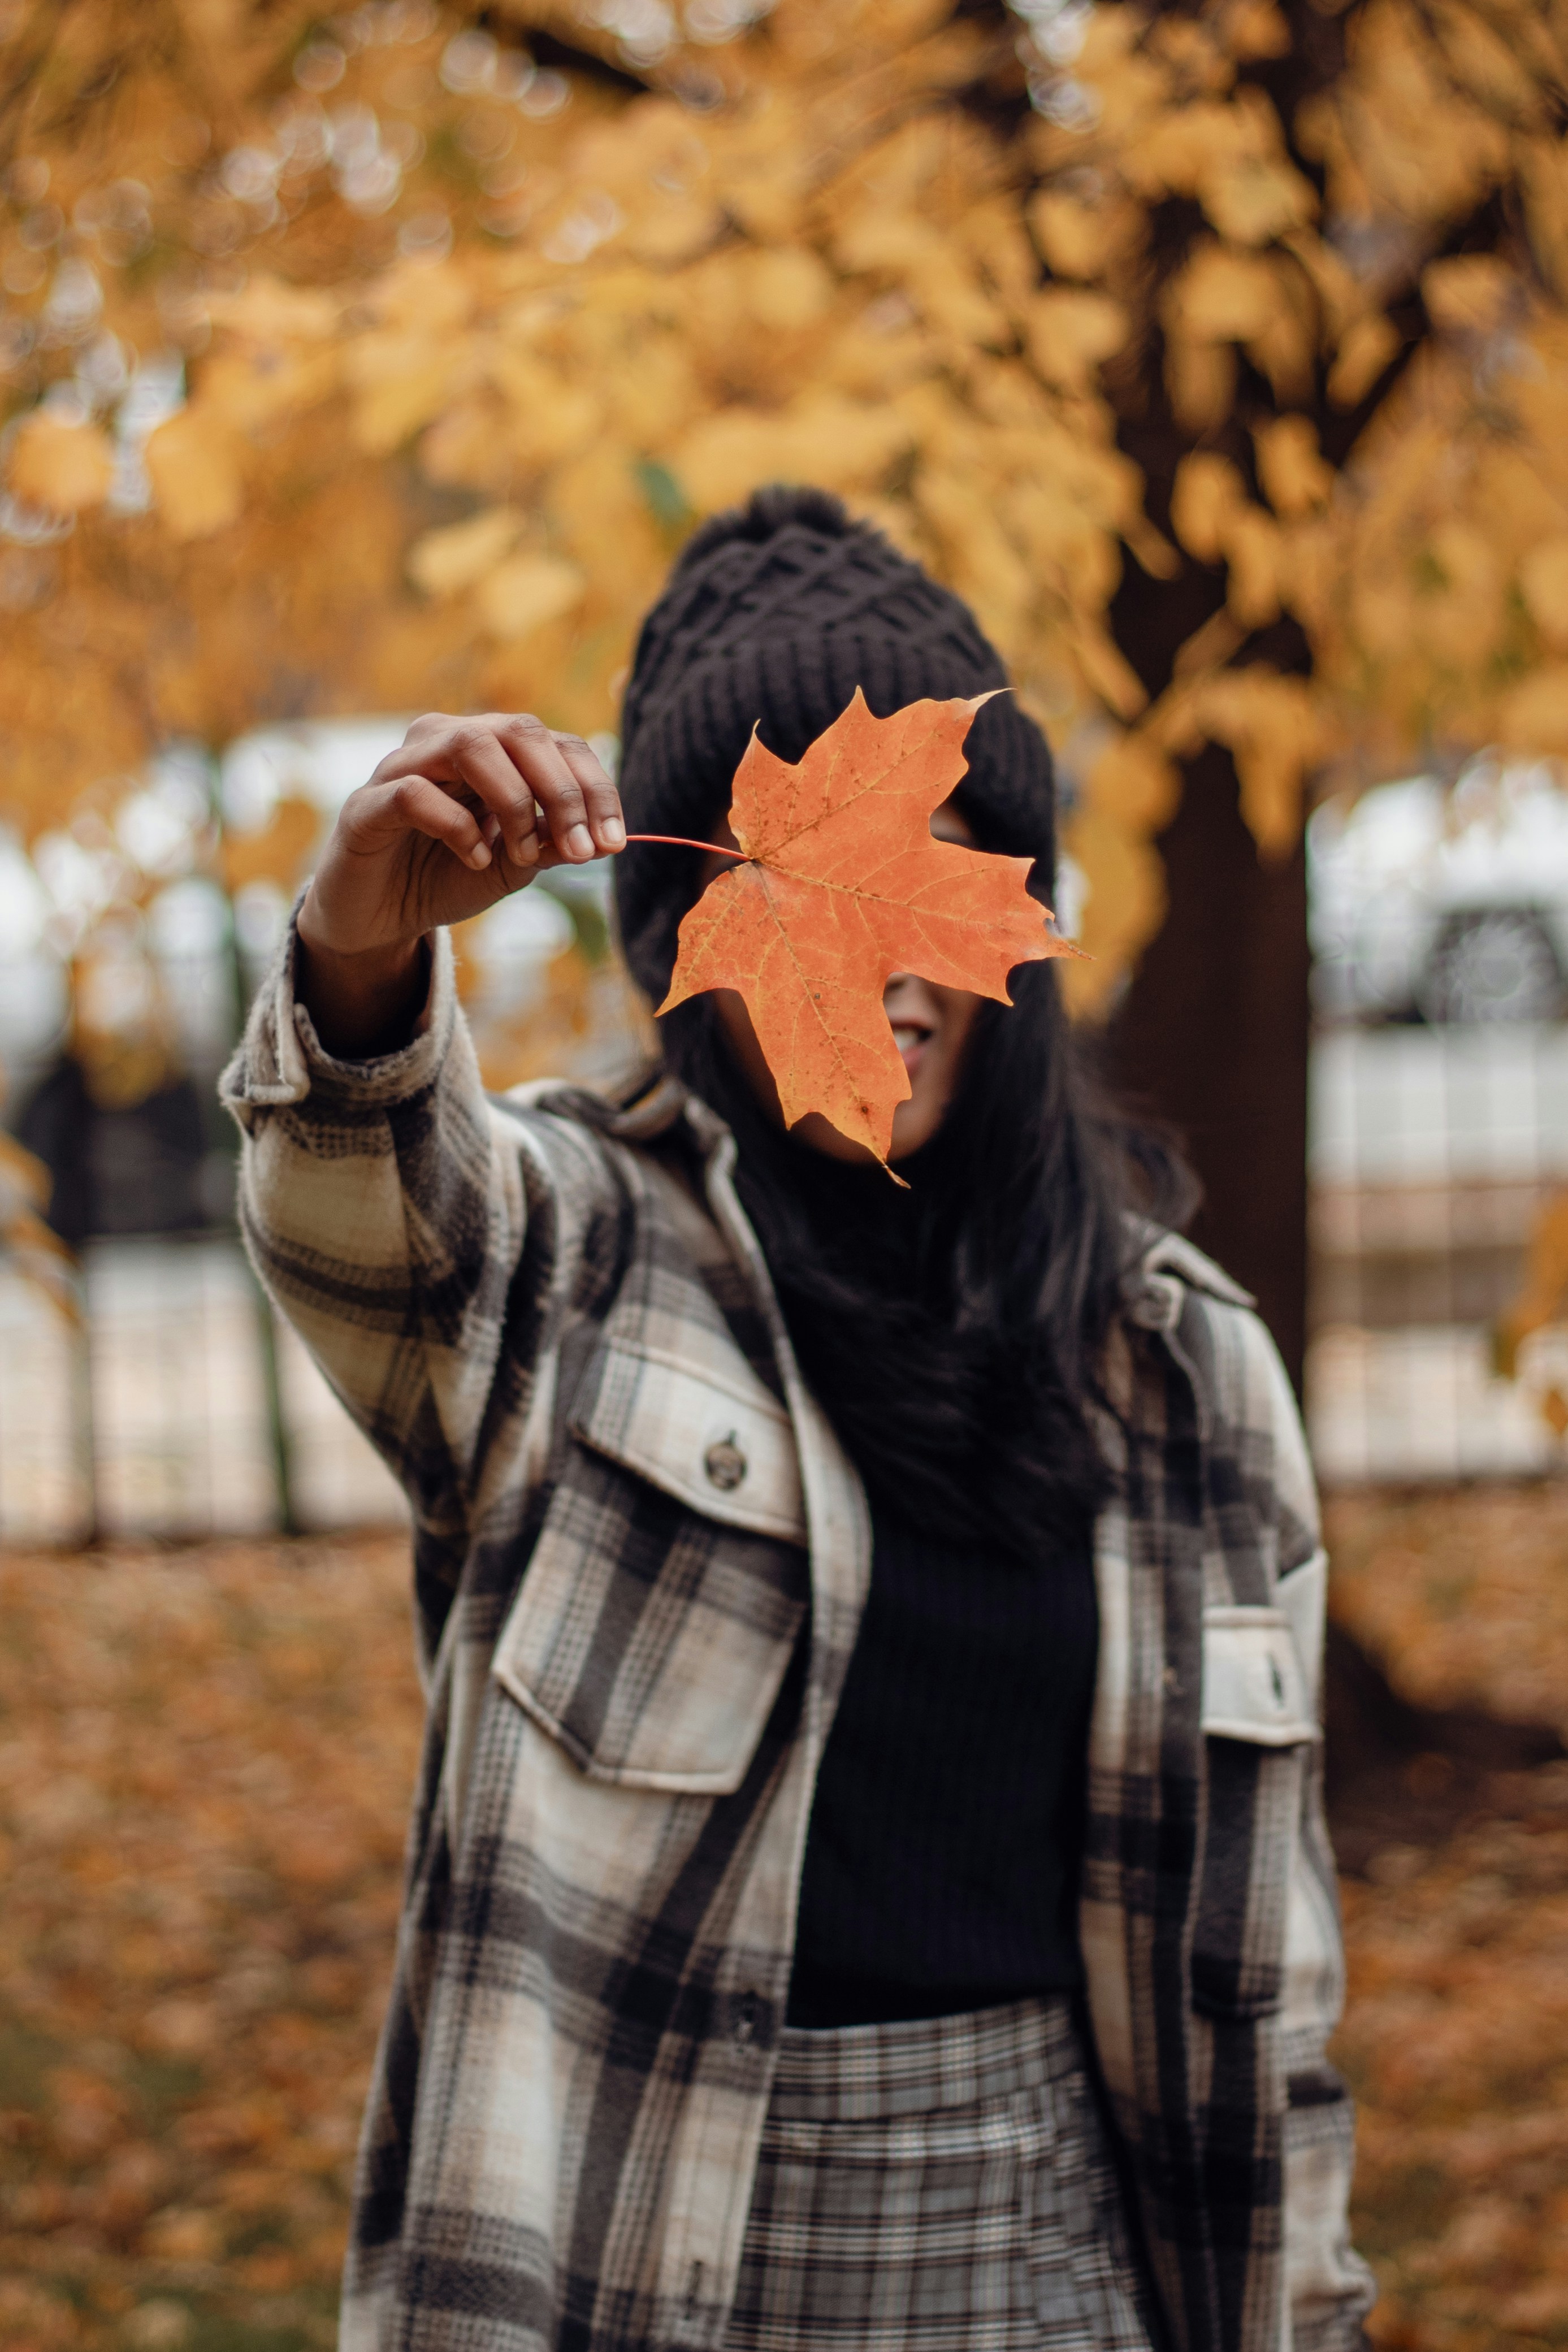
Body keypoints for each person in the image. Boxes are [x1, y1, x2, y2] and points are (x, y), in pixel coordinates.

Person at [222, 487, 1374, 2352]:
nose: (882, 962)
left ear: (1017, 909)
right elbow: (367, 1207)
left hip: (1070, 2268)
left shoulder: (1182, 1371)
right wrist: (359, 962)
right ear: (686, 946)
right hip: (668, 2251)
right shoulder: (579, 1263)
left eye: (936, 858)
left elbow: (1274, 1997)